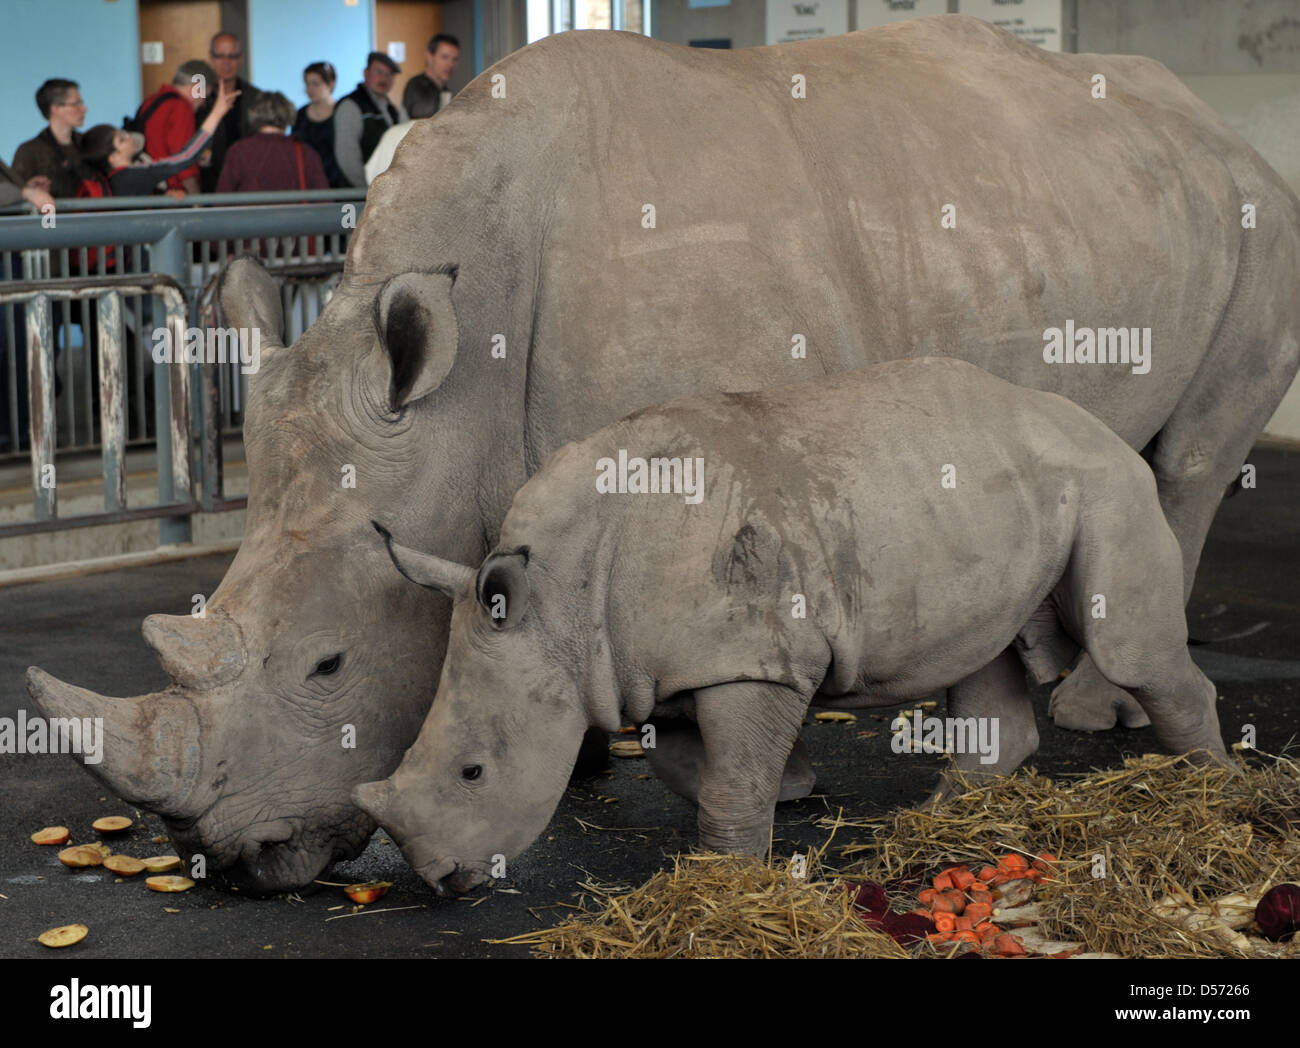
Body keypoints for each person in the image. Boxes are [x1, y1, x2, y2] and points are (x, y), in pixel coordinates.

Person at [80, 79, 239, 196]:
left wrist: (164, 197)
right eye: (121, 140)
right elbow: (186, 156)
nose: (129, 136)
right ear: (113, 157)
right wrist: (217, 113)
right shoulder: (132, 175)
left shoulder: (114, 179)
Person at [132, 59, 217, 196]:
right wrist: (196, 200)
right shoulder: (181, 107)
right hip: (174, 193)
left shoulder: (151, 101)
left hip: (148, 187)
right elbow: (183, 160)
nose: (203, 104)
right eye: (204, 96)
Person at [218, 92, 327, 192]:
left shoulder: (238, 151)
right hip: (294, 213)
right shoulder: (307, 153)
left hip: (251, 213)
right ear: (288, 115)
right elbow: (323, 203)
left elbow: (222, 201)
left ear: (254, 114)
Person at [195, 32, 263, 192]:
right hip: (209, 186)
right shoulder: (199, 98)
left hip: (249, 185)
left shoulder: (256, 97)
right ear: (211, 57)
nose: (227, 63)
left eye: (232, 56)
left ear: (241, 58)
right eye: (220, 56)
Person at [333, 52, 405, 188]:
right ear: (365, 73)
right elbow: (348, 158)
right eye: (378, 72)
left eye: (389, 74)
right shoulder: (351, 106)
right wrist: (366, 191)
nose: (384, 78)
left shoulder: (391, 109)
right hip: (355, 197)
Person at [11, 79, 88, 198]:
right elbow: (14, 194)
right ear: (55, 108)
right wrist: (30, 189)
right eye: (76, 104)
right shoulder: (29, 151)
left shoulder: (90, 143)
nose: (84, 109)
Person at [363, 82, 440, 185]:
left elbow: (373, 178)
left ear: (405, 103)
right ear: (439, 104)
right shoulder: (446, 137)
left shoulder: (394, 135)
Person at [292, 61, 342, 188]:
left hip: (337, 182)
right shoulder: (300, 114)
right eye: (307, 84)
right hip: (307, 182)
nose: (309, 89)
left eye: (315, 84)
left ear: (331, 84)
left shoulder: (341, 112)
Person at [402, 33, 460, 117]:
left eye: (455, 59)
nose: (450, 64)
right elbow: (426, 122)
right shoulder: (417, 86)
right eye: (444, 57)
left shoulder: (444, 90)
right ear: (429, 57)